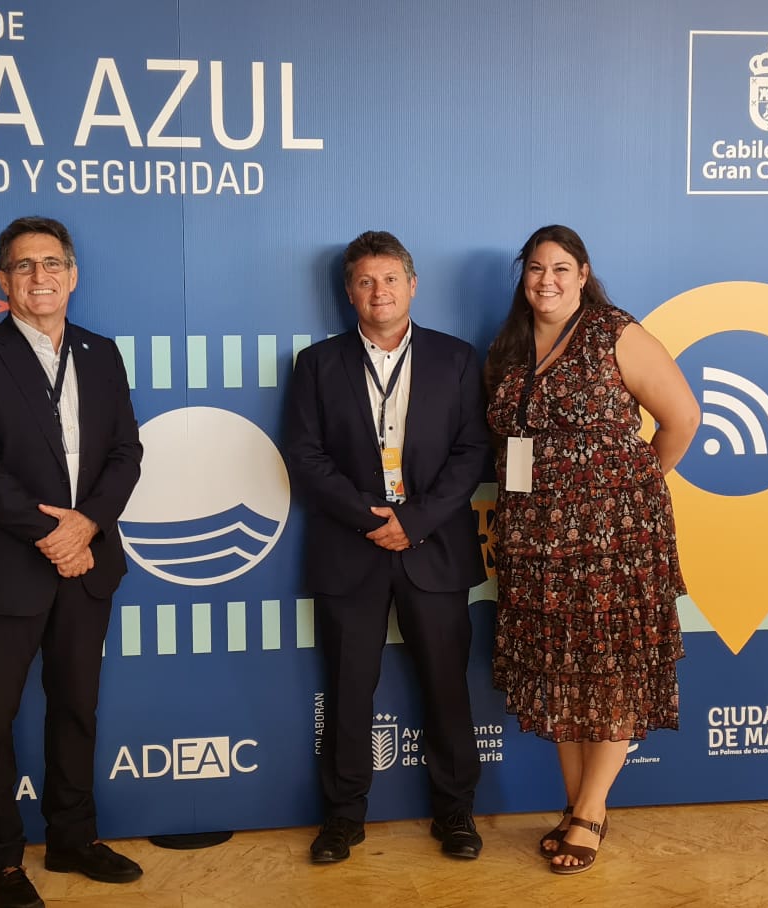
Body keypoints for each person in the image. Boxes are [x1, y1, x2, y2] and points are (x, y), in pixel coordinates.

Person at [0, 216, 145, 908]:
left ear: (72, 273)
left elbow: (126, 454)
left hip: (89, 563)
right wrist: (51, 536)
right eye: (24, 266)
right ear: (3, 280)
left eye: (51, 263)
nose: (39, 277)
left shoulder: (102, 353)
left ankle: (72, 837)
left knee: (77, 708)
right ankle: (2, 861)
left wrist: (87, 525)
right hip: (8, 569)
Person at [484, 225, 700, 875]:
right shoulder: (511, 347)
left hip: (615, 540)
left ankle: (591, 812)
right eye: (534, 269)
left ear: (583, 274)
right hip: (535, 541)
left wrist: (629, 487)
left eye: (560, 268)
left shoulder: (613, 332)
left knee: (609, 671)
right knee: (562, 674)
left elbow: (682, 418)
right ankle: (577, 805)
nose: (545, 280)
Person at [284, 230, 492, 864]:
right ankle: (343, 819)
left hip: (434, 548)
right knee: (348, 691)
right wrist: (368, 518)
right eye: (366, 281)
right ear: (349, 291)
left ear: (412, 285)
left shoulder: (457, 360)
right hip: (352, 549)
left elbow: (472, 452)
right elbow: (306, 454)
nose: (380, 292)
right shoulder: (318, 365)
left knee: (446, 688)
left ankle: (455, 815)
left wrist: (418, 520)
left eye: (391, 279)